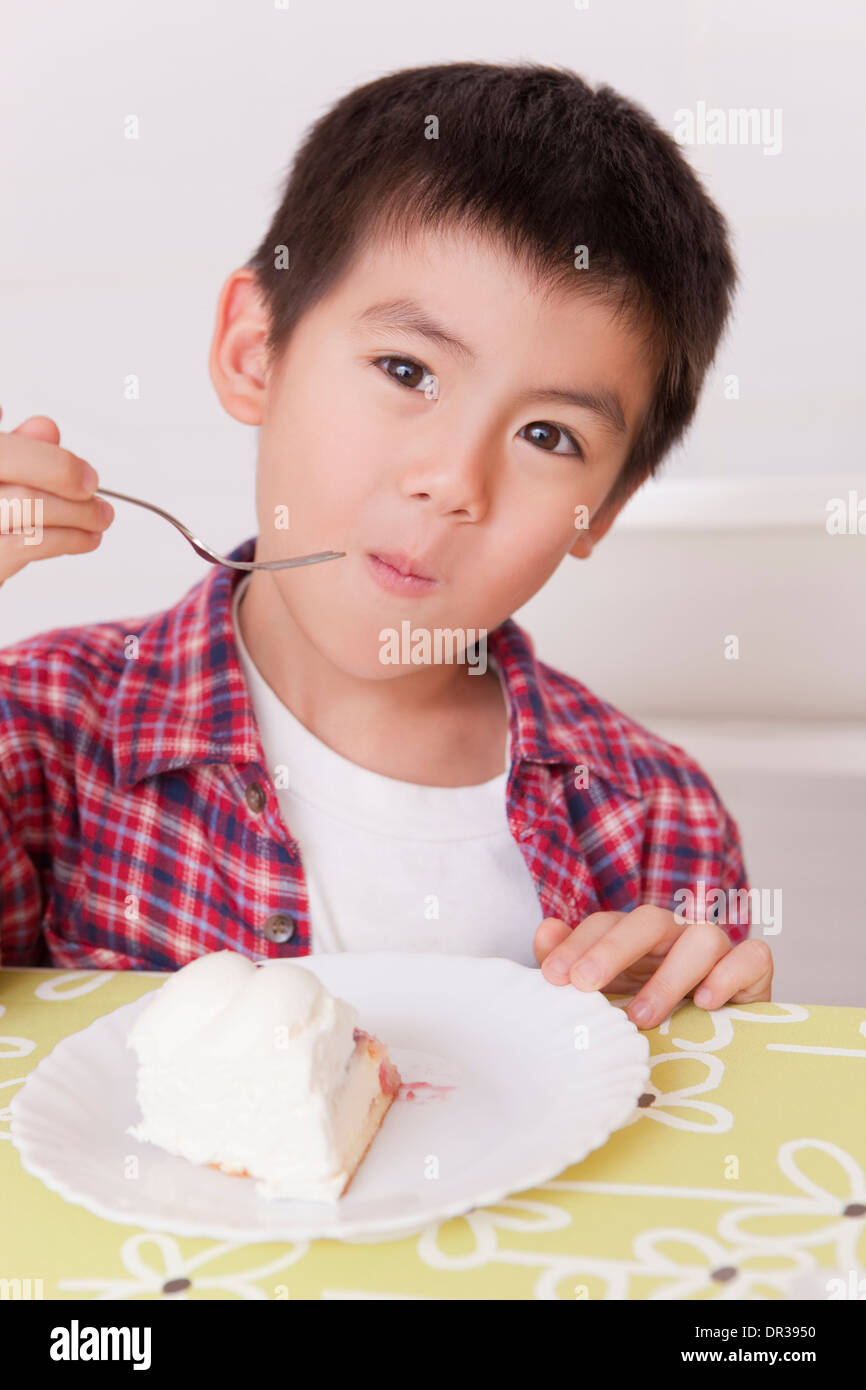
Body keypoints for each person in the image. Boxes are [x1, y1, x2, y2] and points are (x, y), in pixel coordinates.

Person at [0, 61, 773, 1028]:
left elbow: (706, 1144)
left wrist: (717, 1050)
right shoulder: (38, 735)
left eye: (549, 437)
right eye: (407, 370)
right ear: (255, 351)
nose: (453, 481)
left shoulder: (662, 820)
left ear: (603, 509)